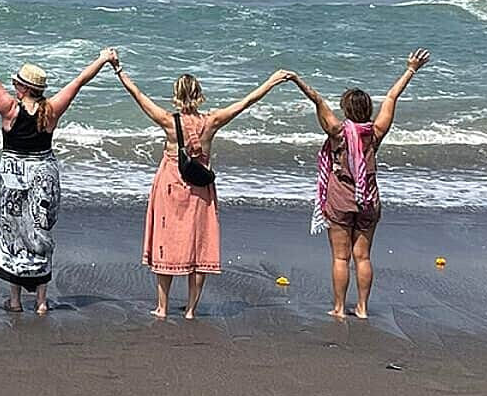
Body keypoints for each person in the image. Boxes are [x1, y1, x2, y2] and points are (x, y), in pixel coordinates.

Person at [113, 52, 292, 319]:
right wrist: (271, 81)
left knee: (166, 242)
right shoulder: (212, 121)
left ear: (176, 94)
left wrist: (119, 71)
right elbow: (247, 102)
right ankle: (191, 309)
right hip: (200, 190)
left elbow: (138, 95)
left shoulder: (168, 121)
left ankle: (162, 307)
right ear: (199, 94)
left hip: (171, 185)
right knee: (199, 244)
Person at [0, 42, 118, 315]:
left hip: (13, 177)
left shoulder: (10, 109)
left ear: (22, 88)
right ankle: (41, 301)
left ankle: (14, 301)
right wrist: (103, 59)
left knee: (13, 234)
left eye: (17, 85)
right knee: (41, 233)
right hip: (44, 175)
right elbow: (79, 81)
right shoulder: (51, 109)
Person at [290, 49, 431, 320]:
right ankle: (363, 308)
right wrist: (411, 69)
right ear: (367, 110)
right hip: (368, 200)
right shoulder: (375, 132)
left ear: (345, 110)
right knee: (363, 257)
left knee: (341, 258)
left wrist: (297, 80)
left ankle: (340, 308)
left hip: (341, 200)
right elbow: (392, 96)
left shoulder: (338, 132)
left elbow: (317, 99)